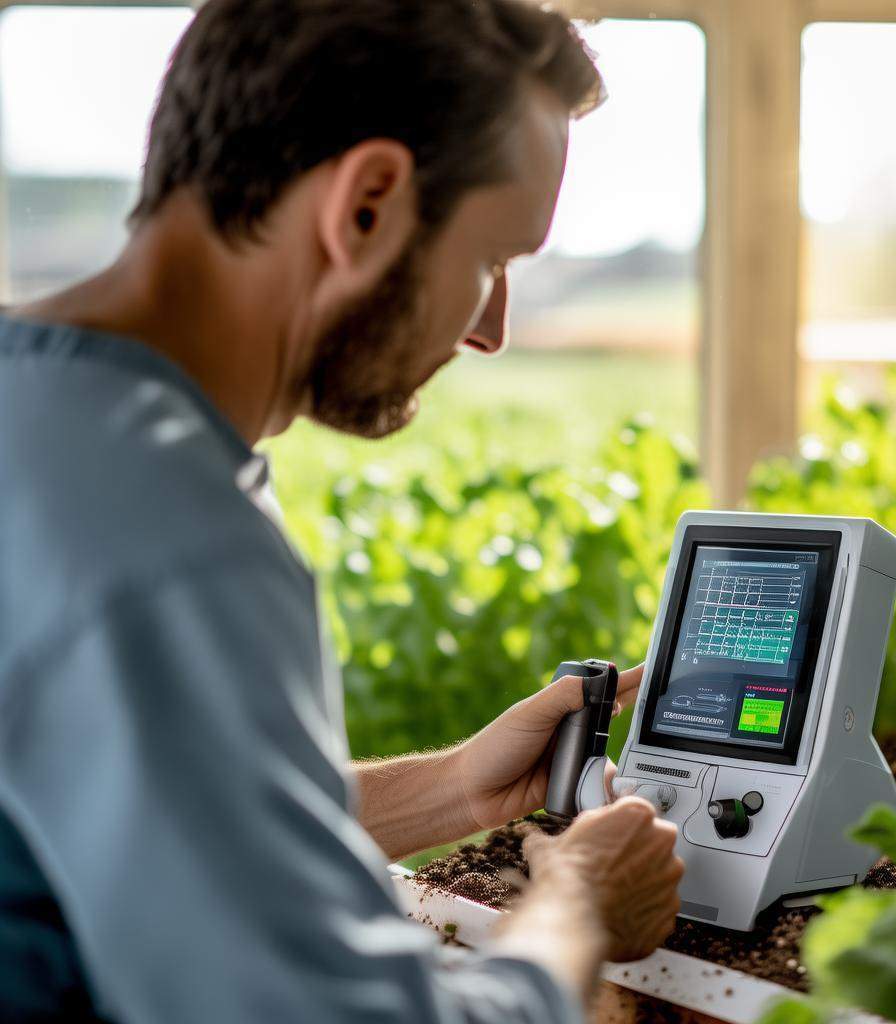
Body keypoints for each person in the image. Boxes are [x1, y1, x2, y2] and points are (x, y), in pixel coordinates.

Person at [0, 1, 685, 1021]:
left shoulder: (48, 414)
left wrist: (454, 788)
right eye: (494, 259)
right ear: (366, 205)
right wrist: (575, 904)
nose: (491, 330)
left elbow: (142, 824)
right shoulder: (167, 531)